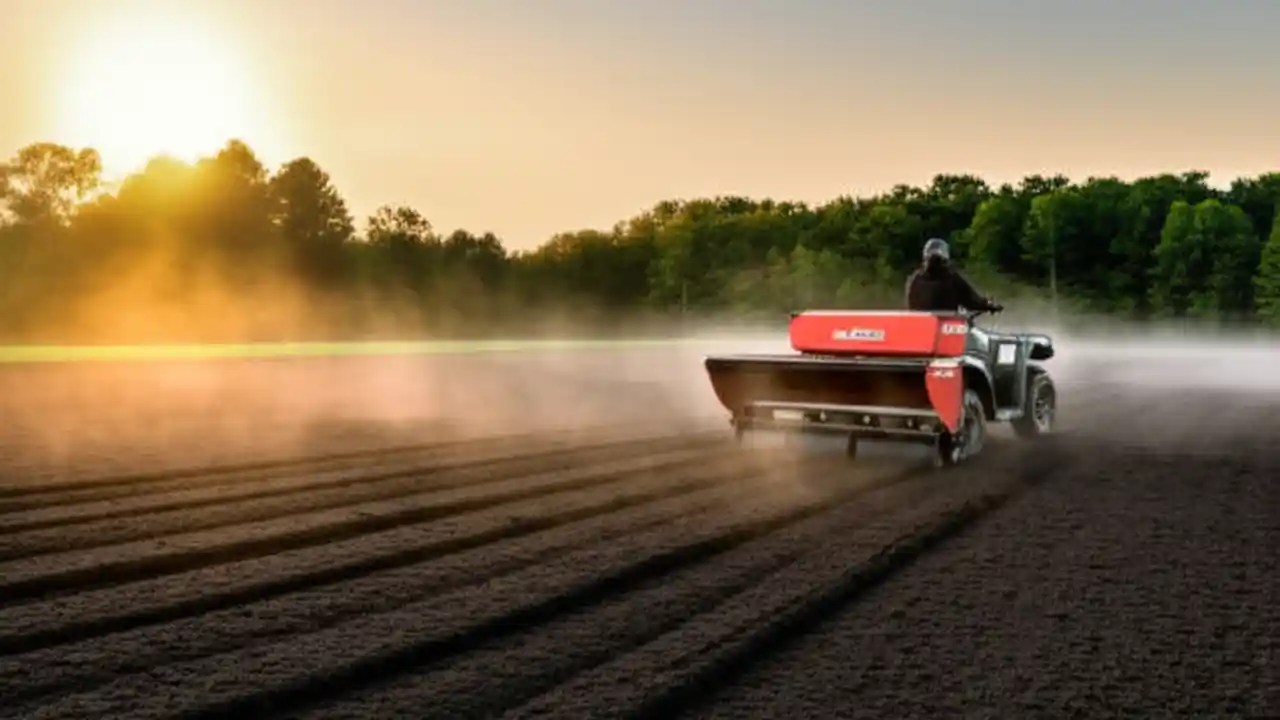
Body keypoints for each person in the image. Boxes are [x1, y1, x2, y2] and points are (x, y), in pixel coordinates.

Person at [905, 238, 1002, 313]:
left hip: (933, 326)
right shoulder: (951, 278)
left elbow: (971, 300)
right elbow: (972, 301)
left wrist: (986, 305)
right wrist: (987, 305)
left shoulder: (916, 278)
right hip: (941, 327)